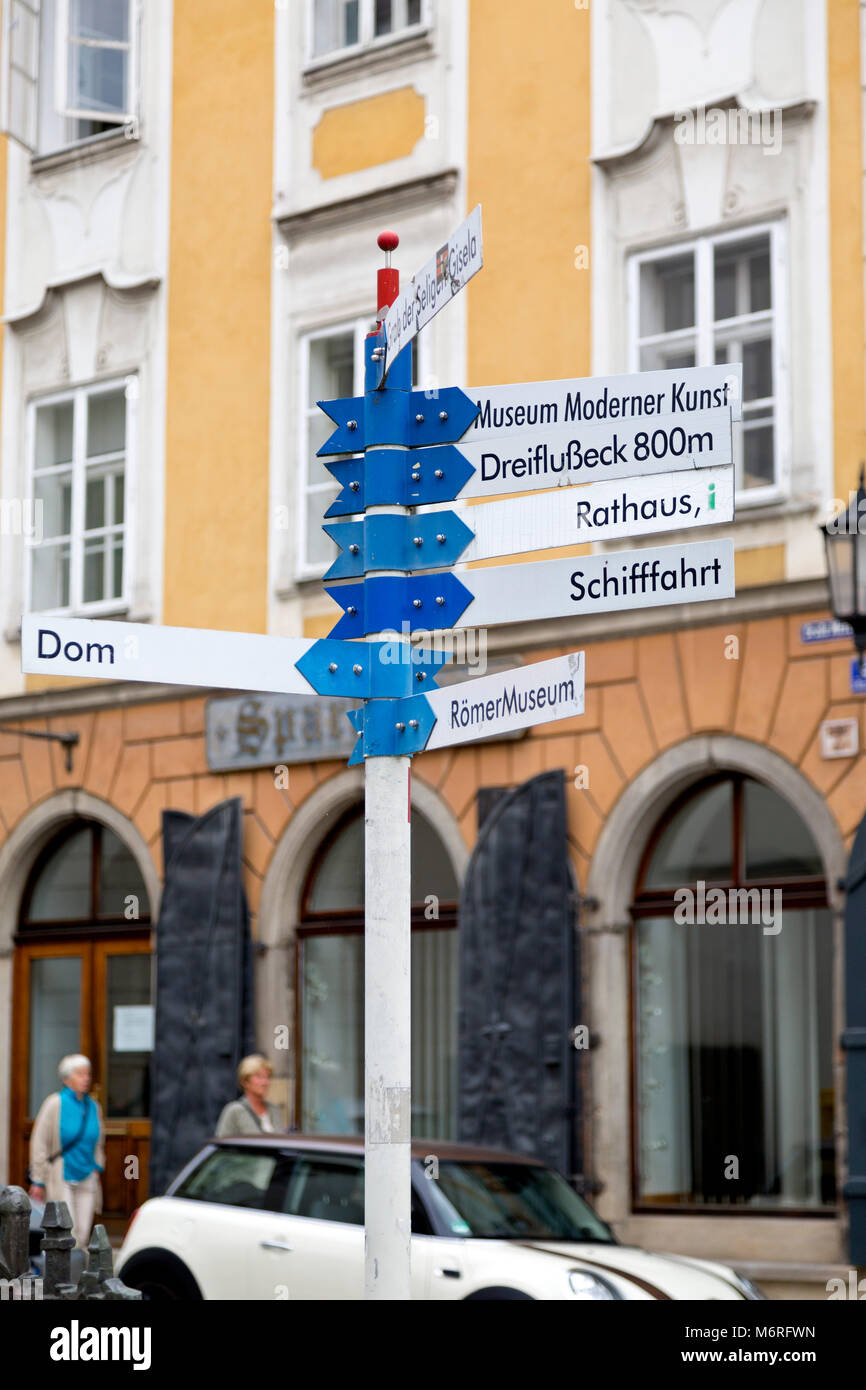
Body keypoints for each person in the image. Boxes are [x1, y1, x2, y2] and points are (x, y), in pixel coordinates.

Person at [28, 1054, 104, 1250]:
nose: (86, 1078)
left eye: (87, 1074)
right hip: (61, 1175)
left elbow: (99, 1140)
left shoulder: (94, 1107)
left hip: (87, 1175)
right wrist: (38, 1180)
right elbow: (40, 1142)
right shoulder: (55, 1103)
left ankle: (79, 1276)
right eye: (80, 1074)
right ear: (66, 1079)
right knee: (66, 1230)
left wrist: (97, 1166)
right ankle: (64, 1277)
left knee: (83, 1232)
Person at [215, 1055, 284, 1136]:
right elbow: (222, 1144)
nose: (265, 1082)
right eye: (259, 1077)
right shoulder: (234, 1111)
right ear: (245, 1082)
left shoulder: (274, 1109)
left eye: (267, 1077)